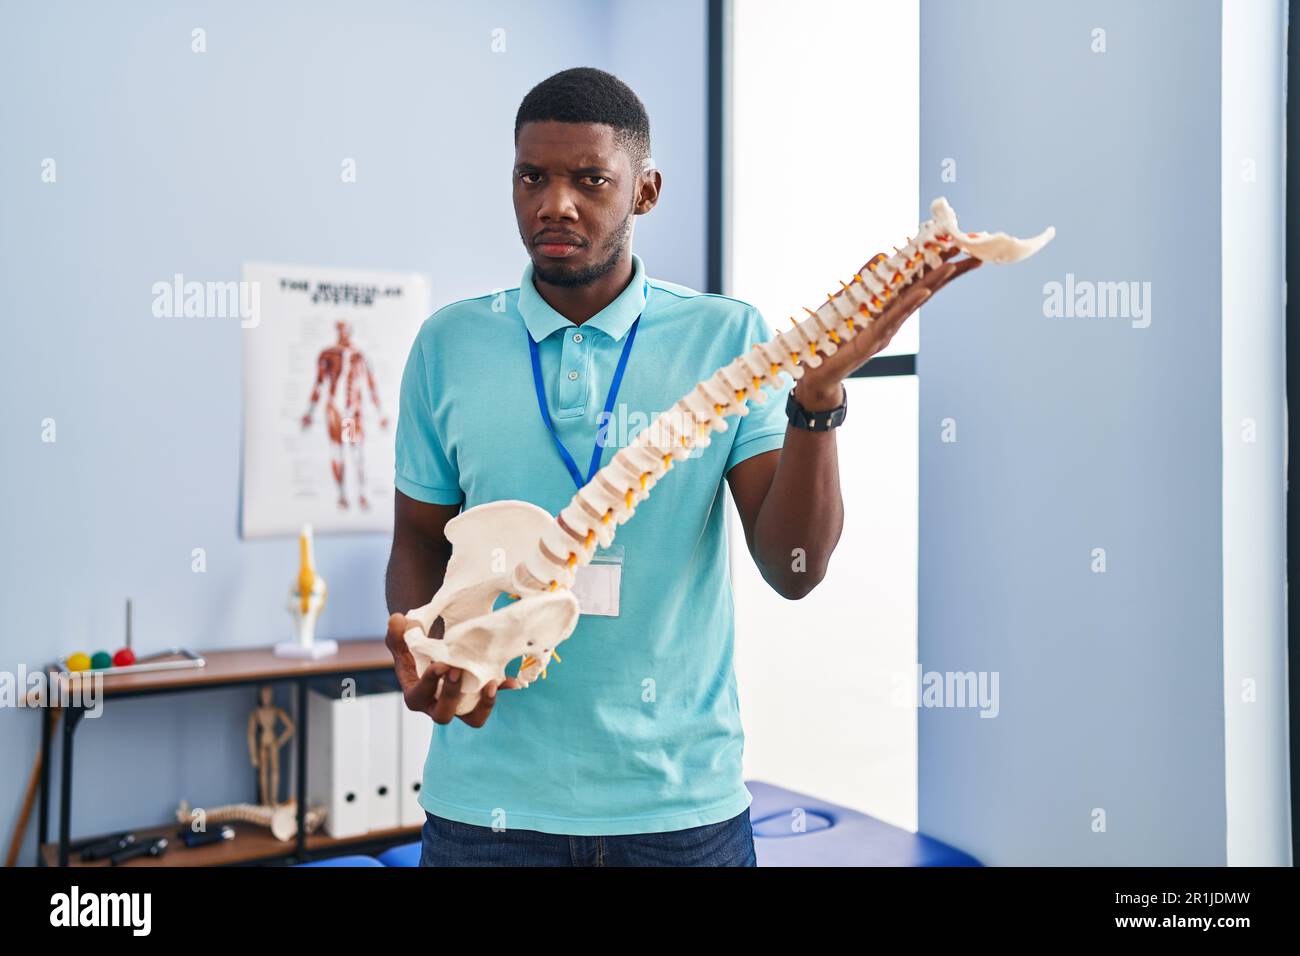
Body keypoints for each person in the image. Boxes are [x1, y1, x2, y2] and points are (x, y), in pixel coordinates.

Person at [383, 67, 978, 867]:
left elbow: (794, 569)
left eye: (590, 180)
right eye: (533, 177)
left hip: (679, 817)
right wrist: (428, 648)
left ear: (646, 190)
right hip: (487, 816)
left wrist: (818, 395)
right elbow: (419, 541)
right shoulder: (449, 345)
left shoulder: (727, 341)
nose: (555, 203)